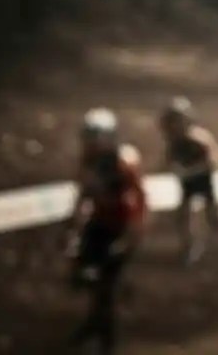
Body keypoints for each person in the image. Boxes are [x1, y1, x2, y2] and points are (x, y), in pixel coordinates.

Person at [63, 108, 148, 354]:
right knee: (83, 275)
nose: (89, 143)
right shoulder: (88, 161)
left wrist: (130, 236)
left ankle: (105, 338)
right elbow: (83, 195)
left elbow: (137, 202)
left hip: (120, 227)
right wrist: (73, 226)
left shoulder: (123, 164)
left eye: (94, 138)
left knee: (105, 285)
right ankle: (95, 321)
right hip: (100, 224)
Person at [158, 96, 218, 266]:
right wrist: (176, 169)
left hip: (202, 179)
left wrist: (192, 170)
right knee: (184, 214)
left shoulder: (199, 138)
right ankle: (190, 246)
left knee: (211, 209)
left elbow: (214, 159)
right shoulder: (173, 141)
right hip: (187, 182)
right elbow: (169, 160)